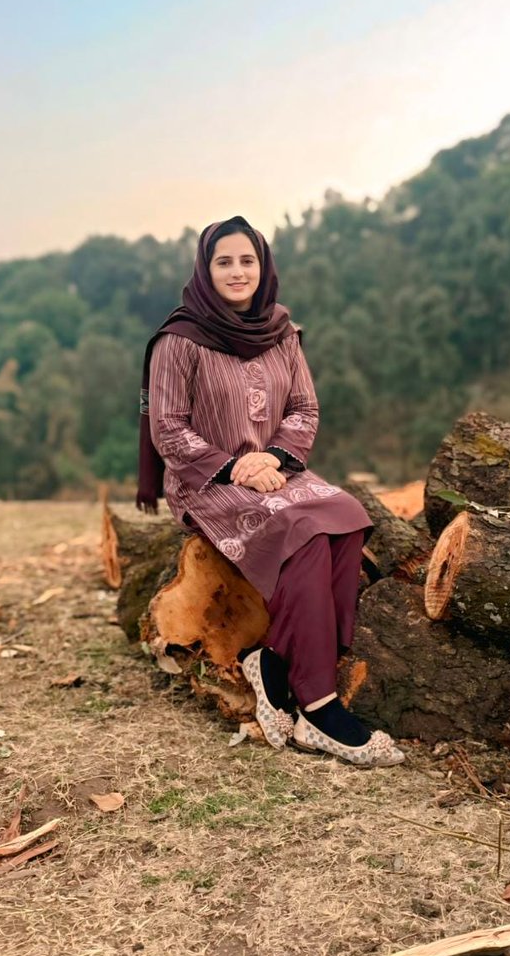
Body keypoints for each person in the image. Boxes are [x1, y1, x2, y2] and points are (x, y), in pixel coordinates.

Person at [136, 215, 404, 768]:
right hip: (206, 480)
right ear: (205, 270)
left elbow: (304, 408)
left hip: (276, 469)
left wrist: (274, 457)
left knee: (346, 516)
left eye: (247, 260)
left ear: (263, 266)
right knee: (302, 531)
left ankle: (275, 660)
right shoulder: (178, 340)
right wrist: (236, 467)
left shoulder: (283, 333)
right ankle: (318, 707)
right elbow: (168, 429)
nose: (237, 272)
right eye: (224, 262)